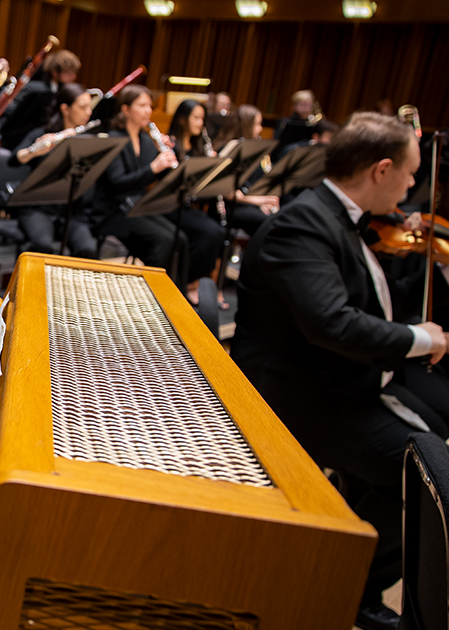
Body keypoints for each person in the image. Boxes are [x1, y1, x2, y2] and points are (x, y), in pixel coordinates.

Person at [231, 111, 449, 630]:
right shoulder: (302, 224)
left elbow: (361, 301)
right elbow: (333, 324)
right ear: (380, 169)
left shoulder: (340, 219)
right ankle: (358, 590)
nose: (414, 184)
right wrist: (422, 339)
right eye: (410, 173)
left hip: (345, 378)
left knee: (436, 434)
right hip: (302, 394)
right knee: (425, 475)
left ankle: (347, 573)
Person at [89, 85, 223, 297]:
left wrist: (172, 162)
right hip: (114, 211)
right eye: (142, 105)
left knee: (180, 239)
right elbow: (117, 182)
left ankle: (174, 297)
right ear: (125, 110)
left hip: (139, 206)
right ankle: (148, 296)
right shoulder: (113, 138)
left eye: (149, 106)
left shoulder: (146, 141)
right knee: (163, 240)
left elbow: (164, 178)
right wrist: (153, 167)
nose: (148, 111)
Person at [8, 83, 101, 258]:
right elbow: (14, 160)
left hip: (71, 211)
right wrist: (34, 150)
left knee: (87, 248)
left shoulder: (86, 139)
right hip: (38, 207)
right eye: (82, 107)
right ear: (65, 109)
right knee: (42, 246)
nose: (88, 112)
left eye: (89, 107)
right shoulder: (43, 134)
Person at [213, 104, 282, 237]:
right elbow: (227, 192)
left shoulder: (256, 151)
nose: (260, 129)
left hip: (249, 204)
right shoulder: (229, 149)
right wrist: (259, 201)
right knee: (268, 223)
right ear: (245, 126)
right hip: (230, 206)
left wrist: (265, 202)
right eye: (257, 124)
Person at [0, 49, 81, 151]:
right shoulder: (34, 89)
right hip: (20, 141)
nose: (74, 76)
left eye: (74, 72)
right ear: (55, 72)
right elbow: (11, 112)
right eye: (68, 72)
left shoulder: (65, 93)